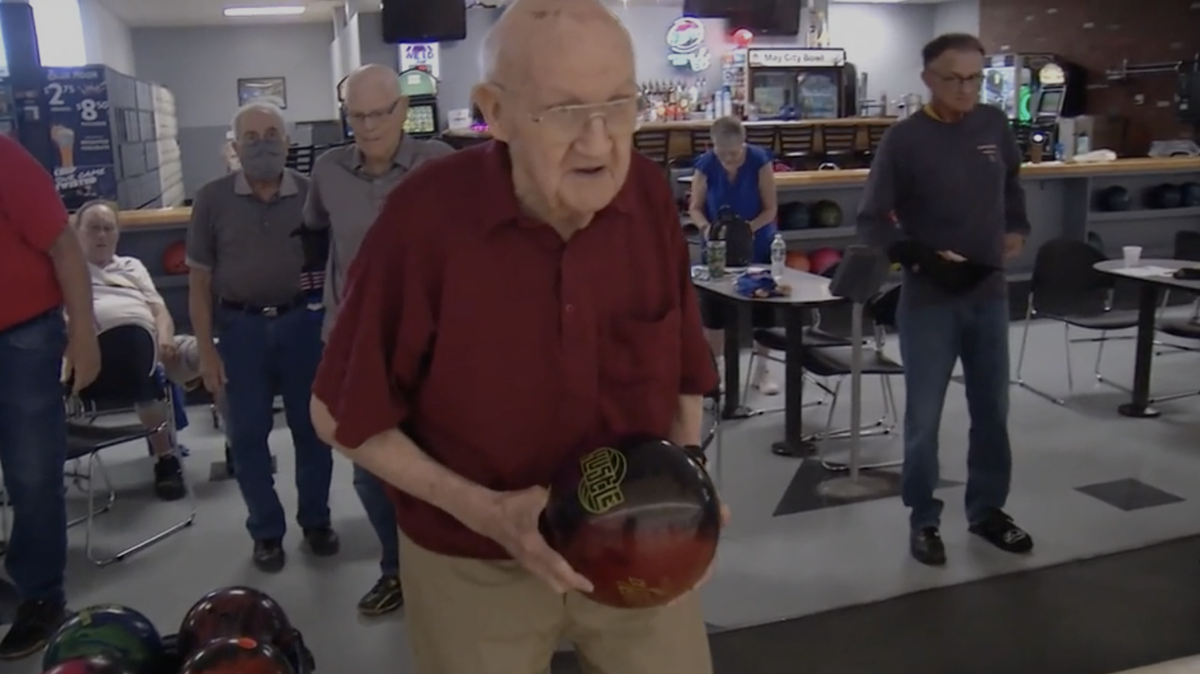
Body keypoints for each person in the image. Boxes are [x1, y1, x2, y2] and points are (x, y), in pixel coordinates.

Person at [308, 0, 727, 672]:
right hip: (474, 561)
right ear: (494, 113)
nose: (598, 142)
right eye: (564, 112)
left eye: (619, 105)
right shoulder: (426, 219)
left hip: (637, 549)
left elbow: (681, 373)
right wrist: (487, 512)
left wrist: (689, 493)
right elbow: (335, 415)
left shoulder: (646, 196)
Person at [857, 33, 1033, 566]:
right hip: (929, 298)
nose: (966, 89)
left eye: (975, 78)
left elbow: (1012, 184)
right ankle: (924, 520)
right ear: (928, 79)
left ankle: (986, 512)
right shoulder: (904, 141)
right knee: (924, 419)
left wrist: (1018, 224)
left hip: (988, 291)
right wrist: (917, 256)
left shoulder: (993, 126)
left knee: (992, 411)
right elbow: (870, 219)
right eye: (954, 78)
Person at [304, 63, 454, 616]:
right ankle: (396, 570)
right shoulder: (326, 171)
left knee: (440, 464)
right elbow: (316, 230)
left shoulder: (441, 164)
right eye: (356, 115)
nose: (367, 126)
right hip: (352, 345)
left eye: (378, 113)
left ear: (402, 112)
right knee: (369, 471)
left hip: (432, 348)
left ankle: (442, 574)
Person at [186, 101, 338, 573]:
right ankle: (266, 531)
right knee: (247, 435)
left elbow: (338, 268)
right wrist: (207, 351)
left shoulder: (315, 193)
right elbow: (198, 282)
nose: (262, 143)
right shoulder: (211, 199)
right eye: (250, 136)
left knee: (313, 431)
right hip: (239, 329)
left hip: (303, 326)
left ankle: (315, 520)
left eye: (272, 133)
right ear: (234, 146)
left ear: (288, 142)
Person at [0, 134, 100, 659]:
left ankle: (41, 595)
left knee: (32, 474)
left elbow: (63, 244)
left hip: (21, 339)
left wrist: (83, 334)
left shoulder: (4, 158)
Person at [73, 199, 207, 501]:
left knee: (215, 353)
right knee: (137, 353)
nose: (102, 235)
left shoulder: (132, 266)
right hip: (94, 357)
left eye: (108, 228)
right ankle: (166, 459)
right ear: (77, 232)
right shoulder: (69, 271)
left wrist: (165, 339)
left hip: (152, 347)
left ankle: (238, 448)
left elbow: (160, 311)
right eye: (93, 228)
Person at [688, 115, 781, 394]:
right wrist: (706, 228)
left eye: (734, 153)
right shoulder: (706, 165)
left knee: (763, 307)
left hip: (757, 240)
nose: (728, 159)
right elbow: (695, 206)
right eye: (722, 153)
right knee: (715, 311)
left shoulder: (759, 161)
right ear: (712, 146)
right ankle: (716, 372)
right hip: (717, 244)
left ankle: (762, 371)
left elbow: (771, 208)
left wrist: (745, 231)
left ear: (744, 144)